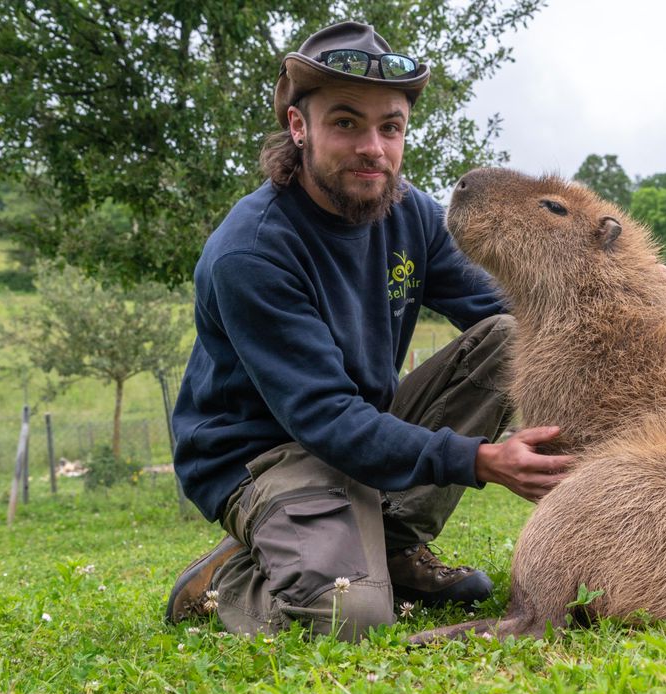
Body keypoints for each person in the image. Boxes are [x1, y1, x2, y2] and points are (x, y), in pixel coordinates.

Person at [165, 21, 574, 642]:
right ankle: (235, 580)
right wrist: (482, 459)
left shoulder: (409, 212)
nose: (373, 149)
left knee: (502, 339)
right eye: (346, 123)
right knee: (347, 617)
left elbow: (502, 314)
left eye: (390, 127)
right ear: (299, 127)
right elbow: (325, 419)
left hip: (359, 425)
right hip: (265, 454)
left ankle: (388, 550)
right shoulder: (251, 253)